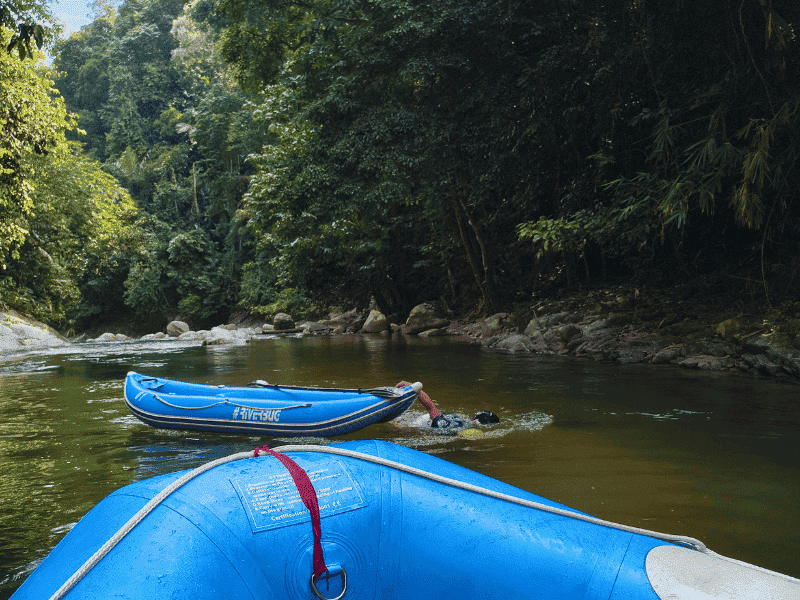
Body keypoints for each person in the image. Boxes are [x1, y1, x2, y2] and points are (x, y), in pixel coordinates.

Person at [396, 382, 500, 430]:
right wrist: (414, 388)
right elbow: (431, 407)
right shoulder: (455, 424)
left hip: (431, 420)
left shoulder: (460, 422)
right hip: (426, 422)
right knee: (401, 429)